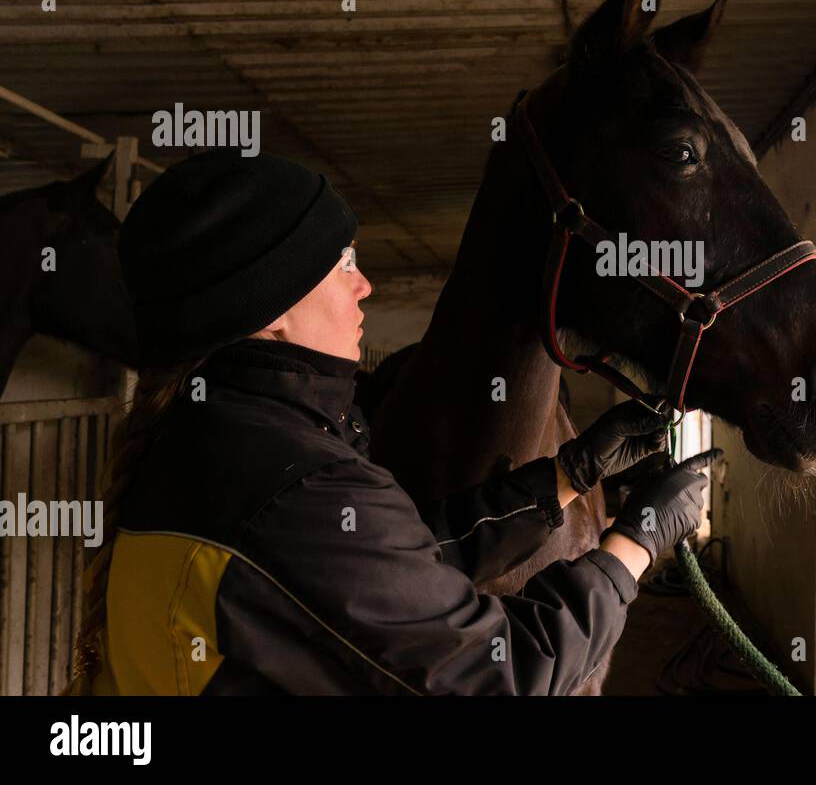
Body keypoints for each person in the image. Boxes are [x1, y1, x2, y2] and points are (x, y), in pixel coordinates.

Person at [67, 148, 715, 695]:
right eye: (342, 263)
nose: (365, 286)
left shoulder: (208, 441)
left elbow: (385, 574)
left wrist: (567, 477)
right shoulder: (295, 484)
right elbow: (505, 677)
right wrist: (637, 542)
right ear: (268, 307)